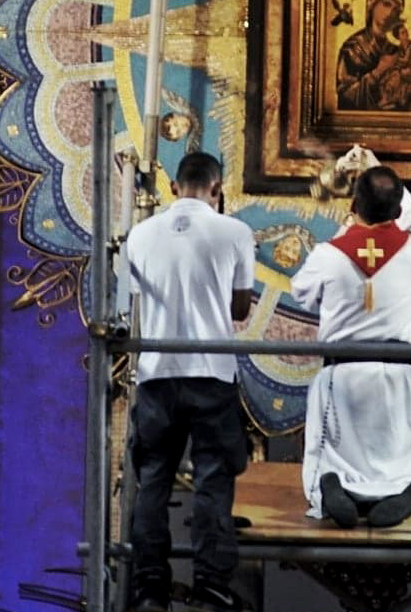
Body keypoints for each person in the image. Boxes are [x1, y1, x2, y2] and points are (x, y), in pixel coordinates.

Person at [117, 152, 256, 612]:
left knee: (153, 480)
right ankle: (211, 586)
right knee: (213, 481)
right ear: (217, 190)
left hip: (158, 374)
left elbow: (131, 298)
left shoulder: (140, 234)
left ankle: (150, 587)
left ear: (175, 188)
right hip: (211, 374)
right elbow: (239, 310)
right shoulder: (234, 232)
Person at [290, 155, 411, 528]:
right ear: (398, 208)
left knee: (333, 448)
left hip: (343, 372)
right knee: (401, 447)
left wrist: (345, 230)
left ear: (353, 206)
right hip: (397, 370)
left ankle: (332, 486)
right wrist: (376, 163)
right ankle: (405, 485)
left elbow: (301, 292)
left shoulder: (329, 255)